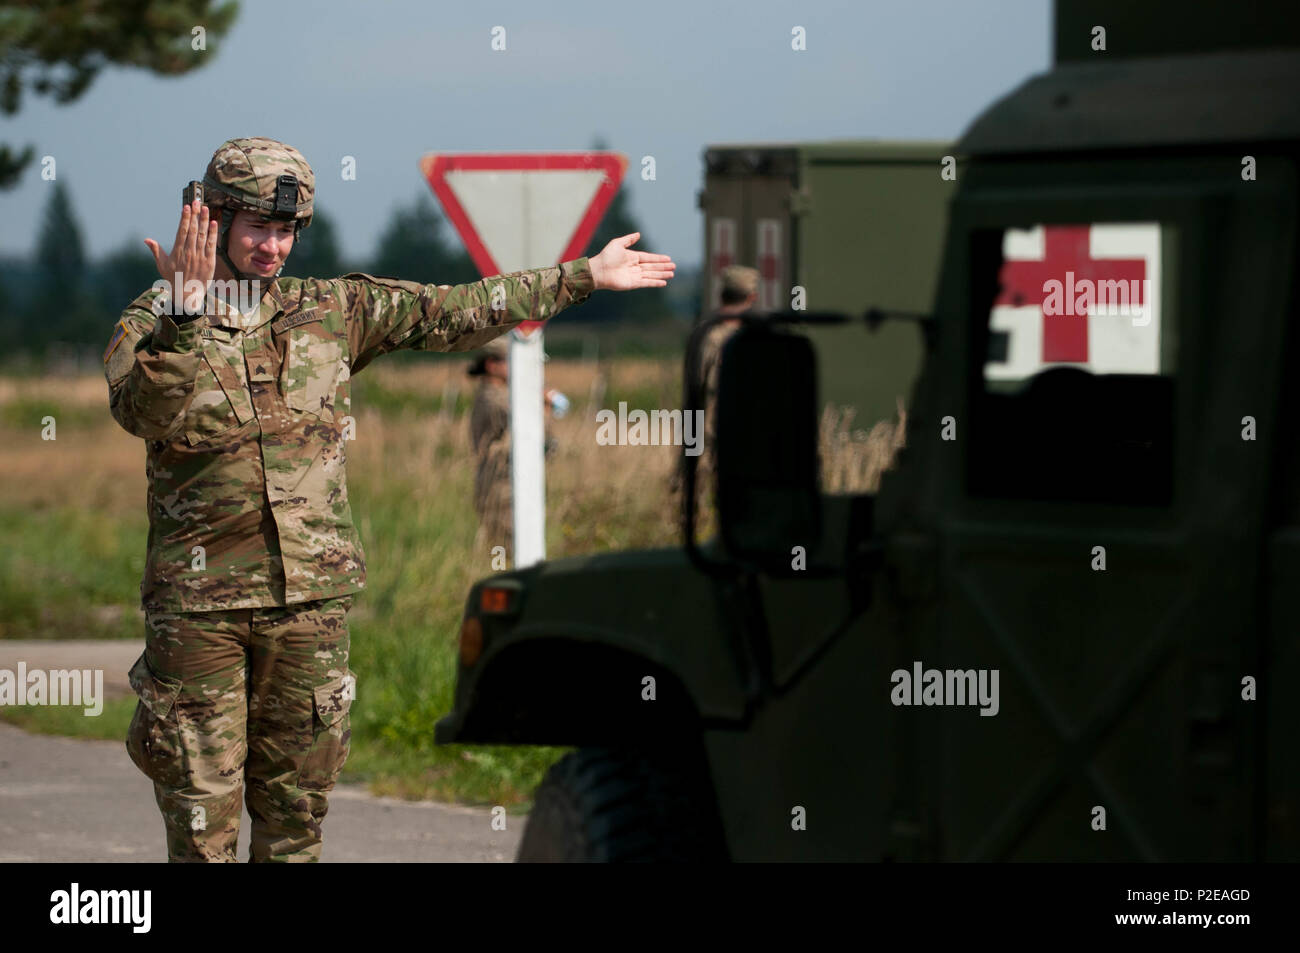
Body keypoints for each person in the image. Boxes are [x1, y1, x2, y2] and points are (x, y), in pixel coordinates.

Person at [103, 137, 673, 862]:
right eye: (258, 228)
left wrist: (583, 275)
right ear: (211, 220)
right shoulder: (151, 319)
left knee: (294, 825)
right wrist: (185, 318)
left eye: (286, 231)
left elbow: (455, 311)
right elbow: (144, 413)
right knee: (199, 832)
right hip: (199, 613)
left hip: (310, 607)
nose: (274, 247)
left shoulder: (331, 310)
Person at [674, 264, 759, 529]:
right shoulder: (755, 335)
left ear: (722, 295)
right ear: (751, 297)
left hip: (708, 432)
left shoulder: (706, 334)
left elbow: (695, 395)